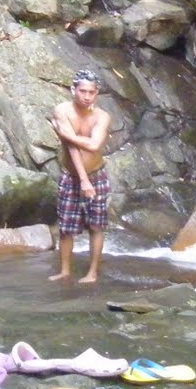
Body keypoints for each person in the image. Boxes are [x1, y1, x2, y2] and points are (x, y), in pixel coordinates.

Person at [49, 68, 113, 283]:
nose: (86, 96)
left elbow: (94, 145)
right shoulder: (62, 110)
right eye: (82, 91)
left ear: (97, 94)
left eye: (91, 92)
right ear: (73, 89)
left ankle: (92, 273)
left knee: (96, 225)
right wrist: (82, 179)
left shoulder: (102, 117)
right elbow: (72, 149)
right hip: (71, 176)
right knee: (66, 227)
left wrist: (66, 134)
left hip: (97, 174)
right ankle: (65, 270)